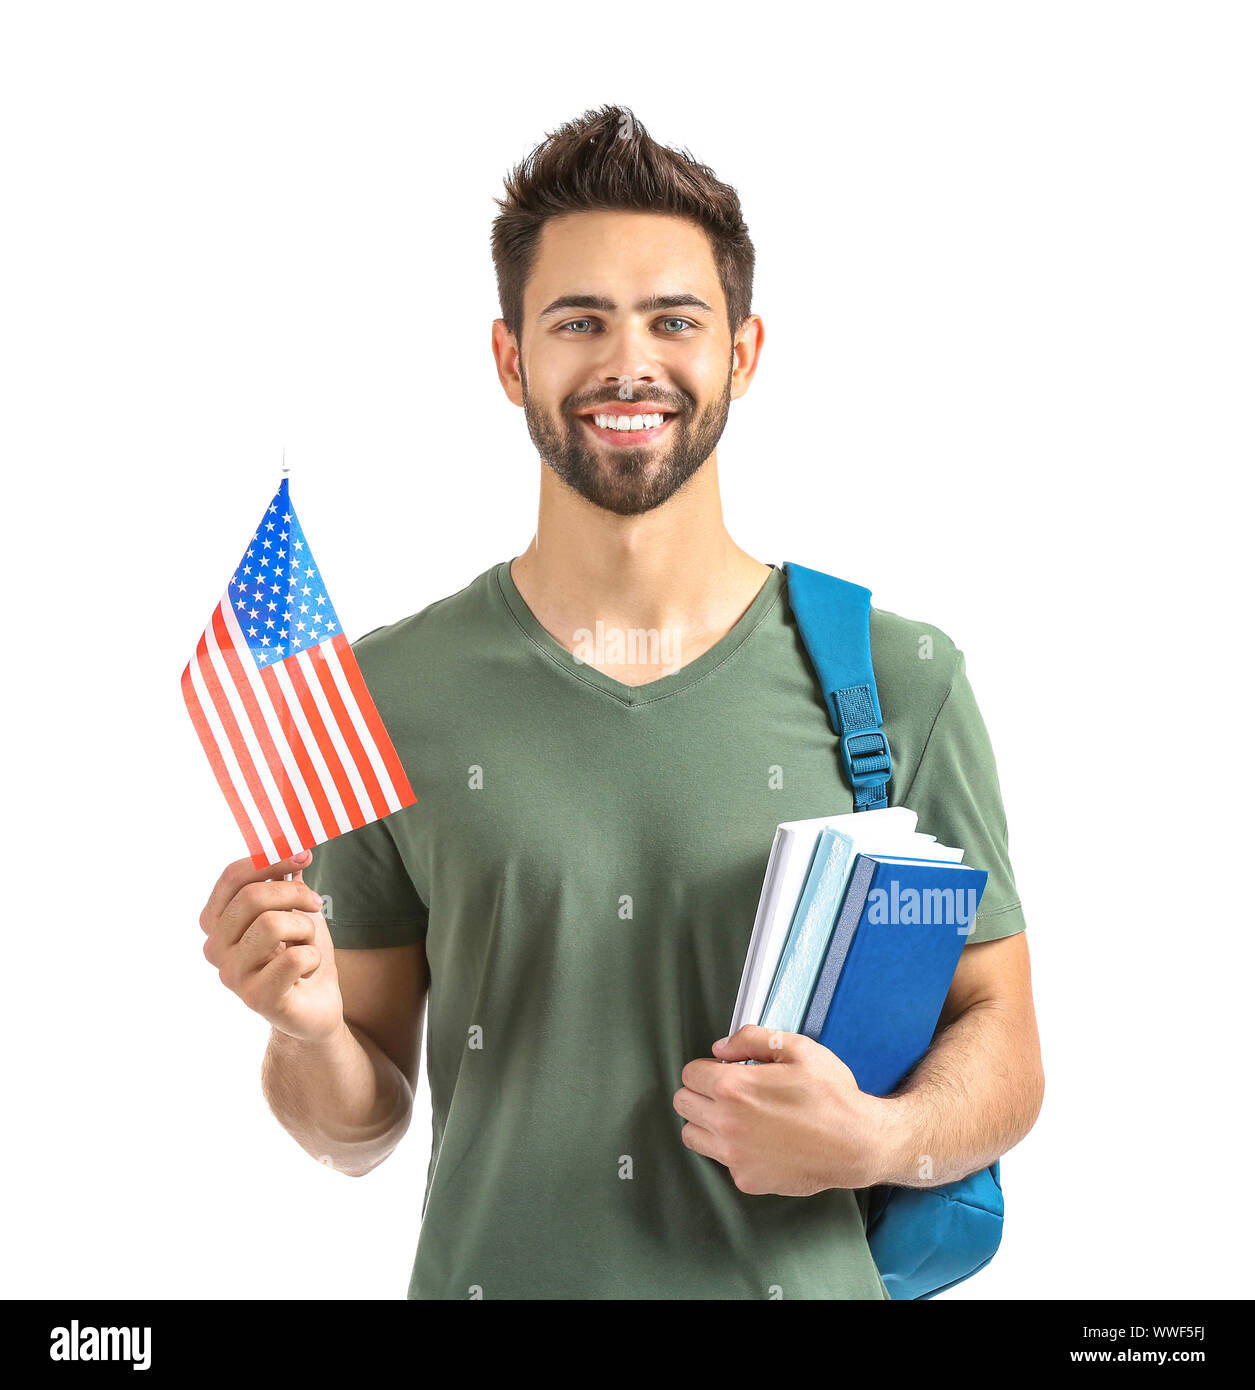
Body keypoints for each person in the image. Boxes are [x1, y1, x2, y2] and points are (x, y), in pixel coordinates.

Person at [198, 105, 1044, 1300]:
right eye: (579, 320)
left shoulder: (895, 678)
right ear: (511, 360)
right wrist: (304, 1027)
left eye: (674, 319)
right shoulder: (381, 695)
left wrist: (879, 1141)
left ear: (743, 353)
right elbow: (357, 1127)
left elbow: (1003, 1037)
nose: (626, 362)